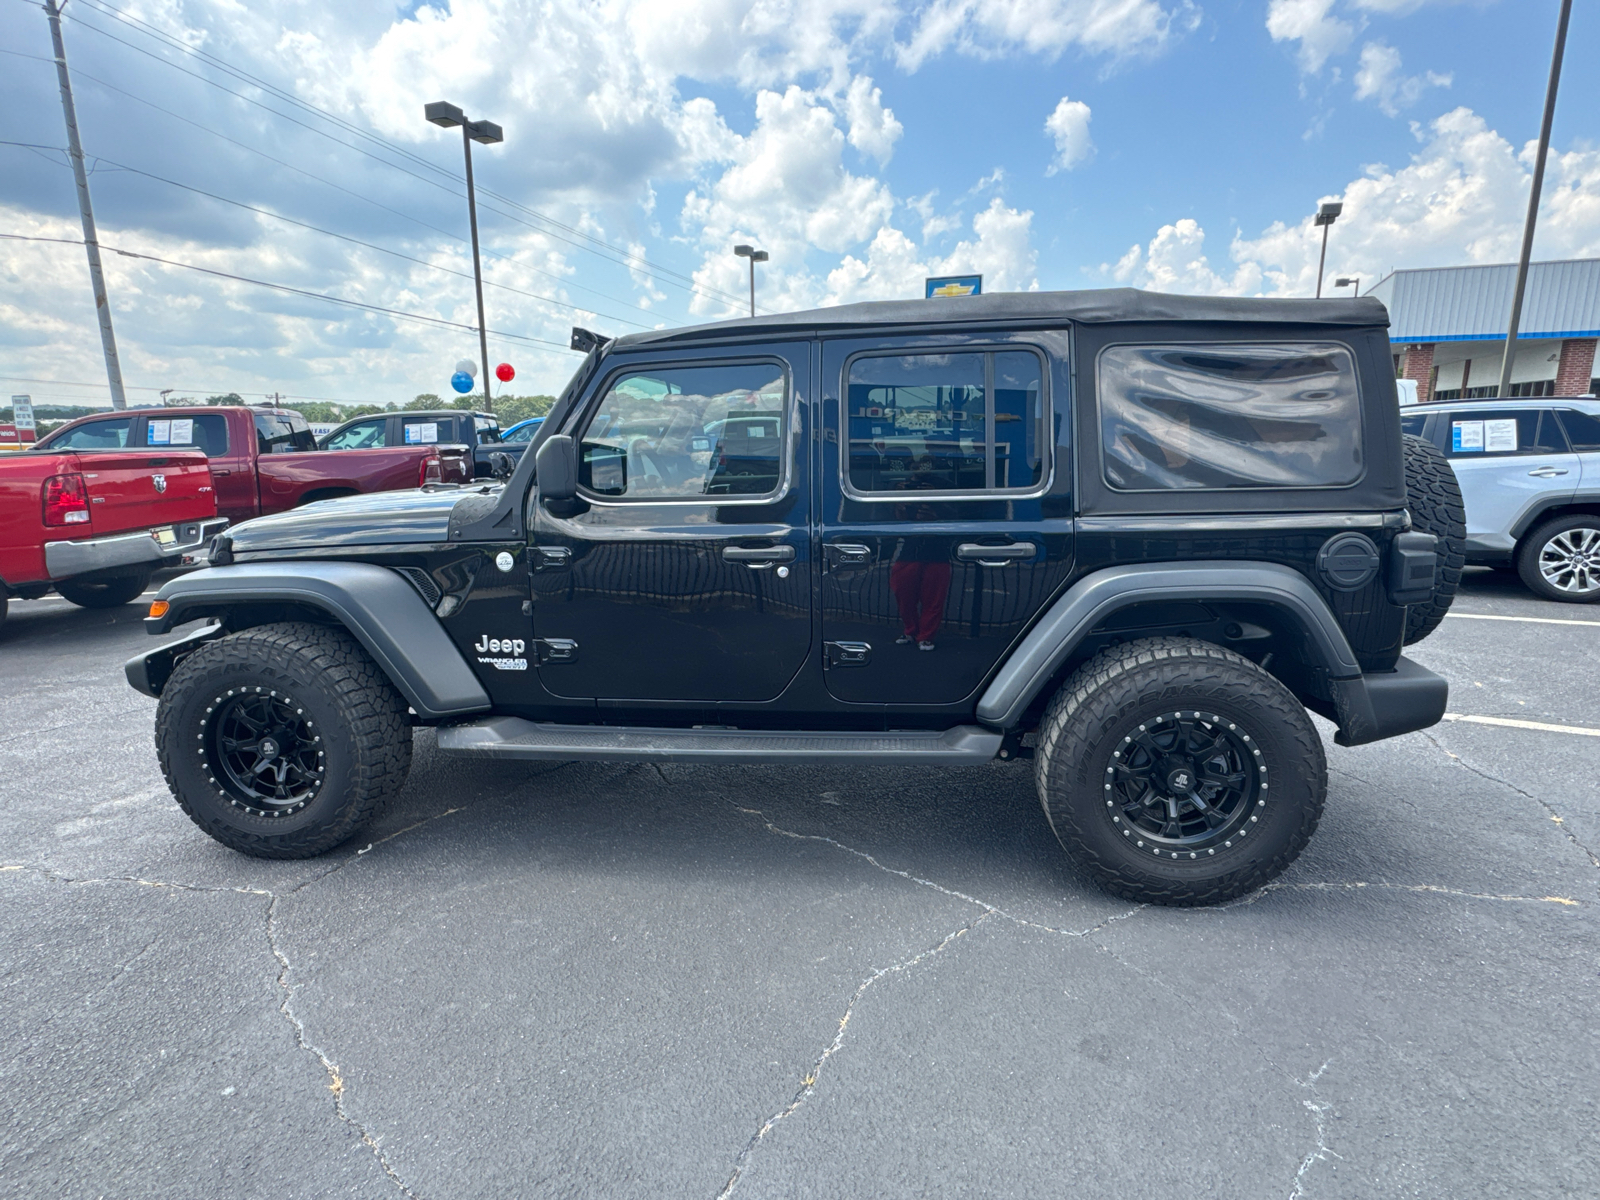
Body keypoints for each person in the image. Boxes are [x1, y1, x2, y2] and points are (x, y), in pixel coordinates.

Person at [888, 451, 950, 651]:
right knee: (902, 591)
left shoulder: (946, 486)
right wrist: (899, 503)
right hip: (910, 545)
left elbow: (958, 511)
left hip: (937, 545)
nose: (918, 467)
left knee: (934, 597)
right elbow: (888, 515)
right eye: (913, 464)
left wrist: (937, 507)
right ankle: (910, 630)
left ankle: (926, 636)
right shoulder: (898, 487)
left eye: (925, 463)